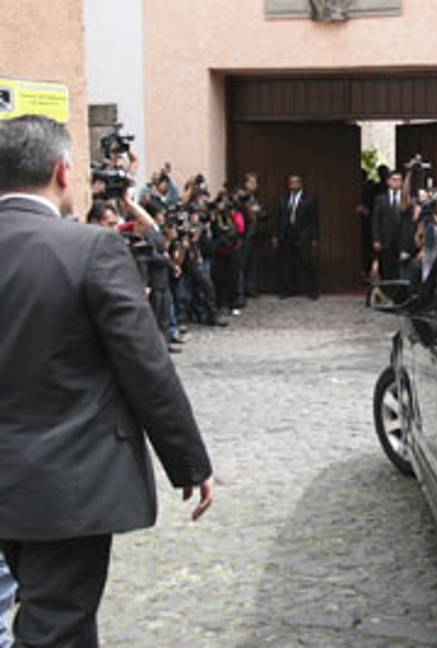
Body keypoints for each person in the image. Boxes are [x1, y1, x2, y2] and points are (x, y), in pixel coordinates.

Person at [0, 115, 214, 647]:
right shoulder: (90, 250)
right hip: (66, 477)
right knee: (56, 627)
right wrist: (189, 462)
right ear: (62, 171)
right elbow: (146, 366)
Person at [273, 174, 320, 299]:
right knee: (287, 263)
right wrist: (276, 235)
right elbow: (278, 218)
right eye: (291, 183)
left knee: (306, 262)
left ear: (300, 184)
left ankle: (312, 290)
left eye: (295, 182)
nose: (293, 185)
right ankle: (288, 289)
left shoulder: (309, 199)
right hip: (286, 235)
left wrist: (315, 238)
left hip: (303, 235)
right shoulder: (283, 199)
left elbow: (314, 220)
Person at [370, 171, 407, 282]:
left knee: (400, 270)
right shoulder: (380, 199)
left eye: (399, 180)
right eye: (394, 180)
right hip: (385, 239)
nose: (396, 182)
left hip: (401, 240)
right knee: (386, 270)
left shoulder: (406, 199)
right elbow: (376, 220)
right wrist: (376, 239)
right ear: (388, 182)